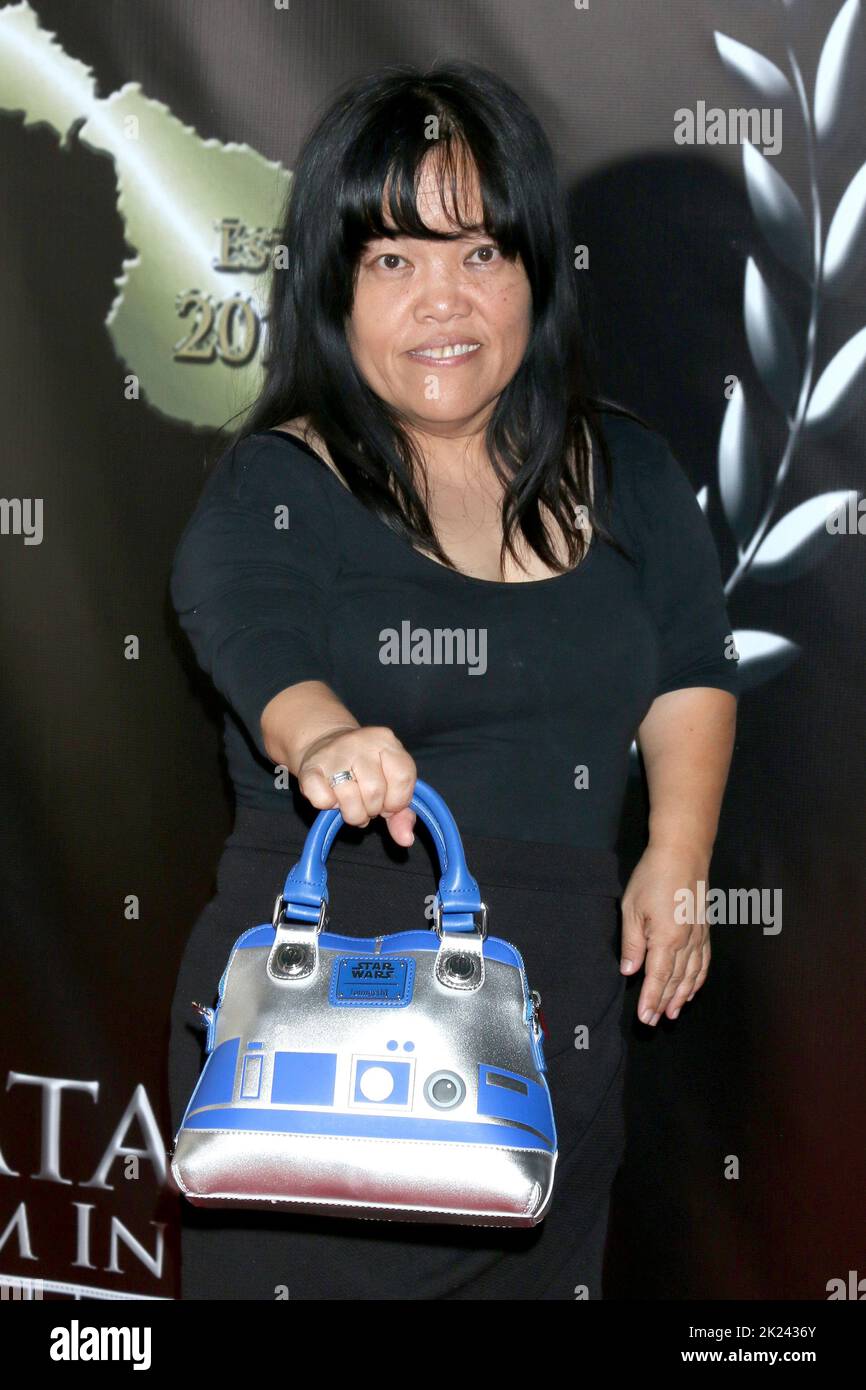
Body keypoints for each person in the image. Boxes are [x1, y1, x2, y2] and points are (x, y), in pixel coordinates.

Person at [167, 59, 739, 1300]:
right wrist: (321, 739)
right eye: (391, 261)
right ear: (332, 288)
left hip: (542, 1057)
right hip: (310, 1067)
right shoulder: (272, 485)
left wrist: (679, 853)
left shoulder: (630, 471)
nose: (443, 302)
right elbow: (250, 637)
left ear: (537, 270)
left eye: (479, 254)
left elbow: (690, 663)